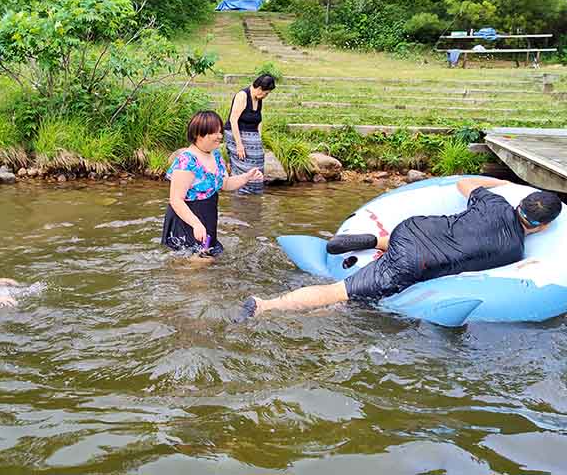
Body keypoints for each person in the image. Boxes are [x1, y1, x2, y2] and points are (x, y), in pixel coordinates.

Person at [237, 177, 563, 320]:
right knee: (339, 293)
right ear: (543, 227)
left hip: (413, 228)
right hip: (416, 262)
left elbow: (463, 185)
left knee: (412, 246)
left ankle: (376, 242)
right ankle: (264, 306)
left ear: (520, 203)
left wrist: (501, 185)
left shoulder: (492, 202)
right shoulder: (513, 251)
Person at [162, 111, 264, 256]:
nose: (220, 136)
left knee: (207, 259)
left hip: (207, 217)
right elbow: (176, 200)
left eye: (220, 131)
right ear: (198, 134)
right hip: (187, 220)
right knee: (193, 263)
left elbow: (225, 184)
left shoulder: (215, 155)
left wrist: (246, 177)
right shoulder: (187, 161)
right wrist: (196, 224)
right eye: (214, 132)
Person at [224, 74, 276, 195]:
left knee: (258, 163)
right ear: (259, 88)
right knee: (244, 166)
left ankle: (254, 195)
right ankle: (240, 194)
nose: (265, 96)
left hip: (252, 136)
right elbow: (233, 120)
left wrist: (259, 140)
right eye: (266, 93)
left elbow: (259, 120)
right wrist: (239, 145)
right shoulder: (242, 96)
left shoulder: (259, 99)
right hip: (237, 134)